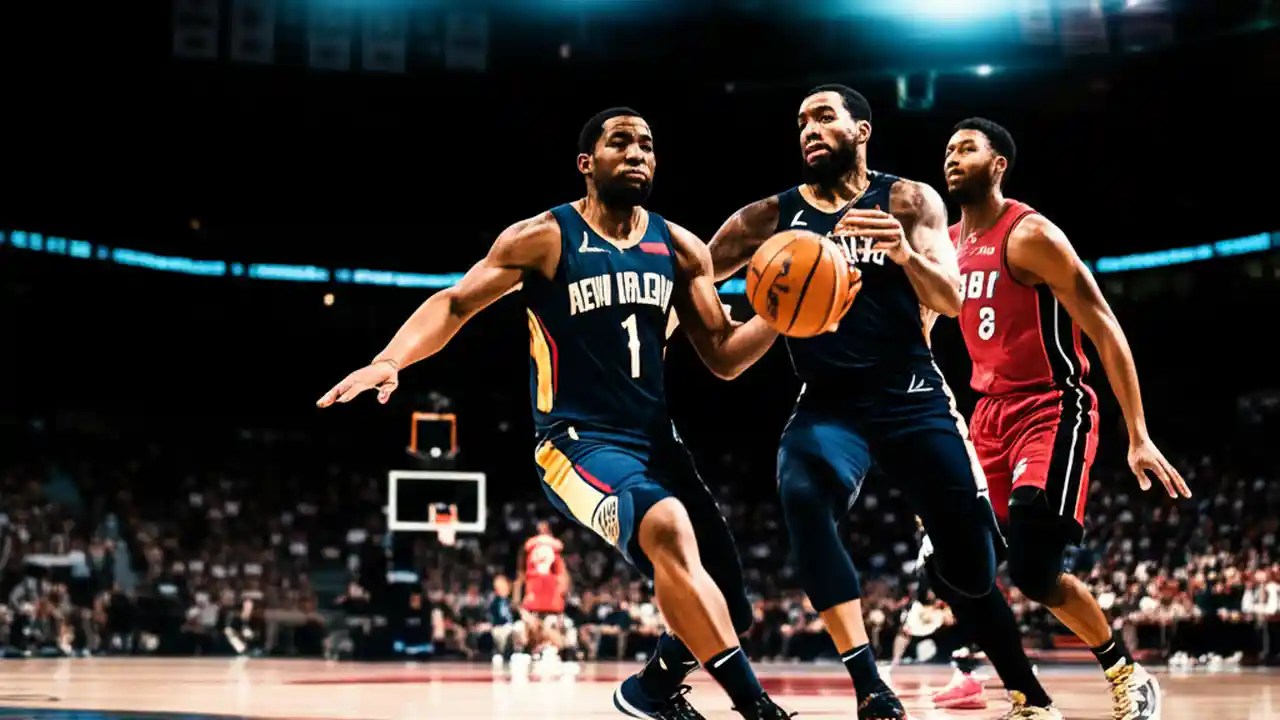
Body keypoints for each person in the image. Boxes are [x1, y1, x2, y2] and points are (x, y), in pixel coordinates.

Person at [317, 107, 791, 720]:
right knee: (669, 526)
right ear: (586, 164)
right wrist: (391, 360)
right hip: (575, 443)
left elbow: (725, 357)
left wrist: (779, 318)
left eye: (648, 144)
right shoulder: (544, 238)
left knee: (731, 602)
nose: (638, 154)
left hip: (656, 442)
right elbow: (456, 303)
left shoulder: (681, 249)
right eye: (622, 142)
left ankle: (649, 692)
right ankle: (756, 707)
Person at [702, 84, 1062, 719]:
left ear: (861, 131)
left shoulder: (909, 199)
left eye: (824, 117)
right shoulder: (769, 218)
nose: (809, 129)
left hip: (913, 395)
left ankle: (1023, 687)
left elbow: (951, 299)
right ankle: (870, 684)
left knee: (971, 571)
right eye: (801, 120)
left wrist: (900, 250)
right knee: (803, 495)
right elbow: (691, 271)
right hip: (829, 403)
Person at [944, 116, 1193, 720]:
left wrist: (1138, 433)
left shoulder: (1030, 235)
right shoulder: (946, 244)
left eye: (967, 148)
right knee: (949, 561)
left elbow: (1104, 323)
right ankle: (1016, 691)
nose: (952, 157)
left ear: (998, 164)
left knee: (1032, 569)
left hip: (1052, 406)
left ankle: (1126, 672)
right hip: (986, 415)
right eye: (948, 149)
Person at [515, 521, 569, 659]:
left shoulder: (557, 561)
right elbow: (518, 586)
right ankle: (530, 650)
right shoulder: (526, 564)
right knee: (524, 629)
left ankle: (553, 649)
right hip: (532, 609)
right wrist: (523, 611)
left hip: (551, 610)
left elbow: (564, 582)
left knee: (552, 631)